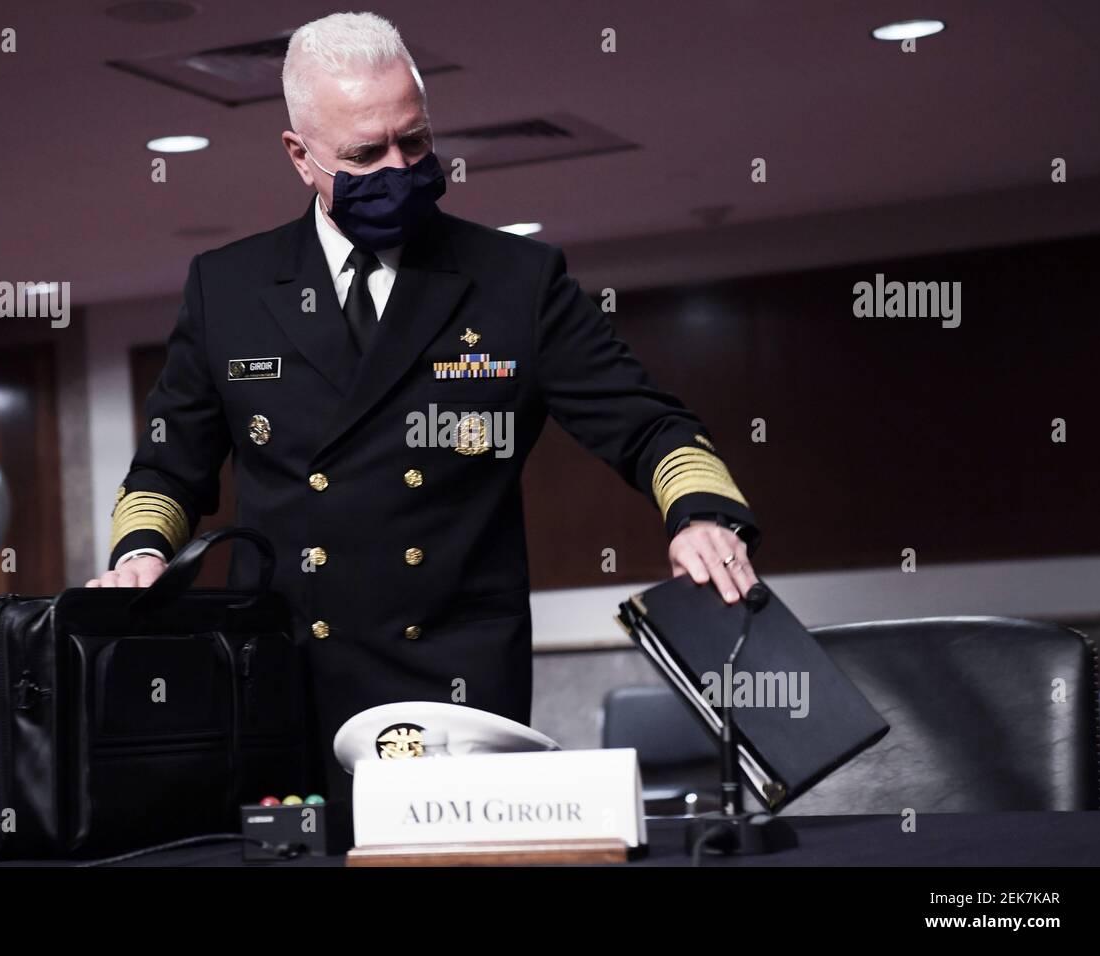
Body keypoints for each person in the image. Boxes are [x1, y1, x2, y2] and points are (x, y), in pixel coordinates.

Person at [88, 11, 762, 802]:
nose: (399, 168)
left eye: (415, 142)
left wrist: (702, 516)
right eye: (365, 154)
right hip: (286, 678)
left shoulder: (516, 280)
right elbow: (168, 467)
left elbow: (649, 424)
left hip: (457, 686)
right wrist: (137, 558)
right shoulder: (228, 289)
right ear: (299, 156)